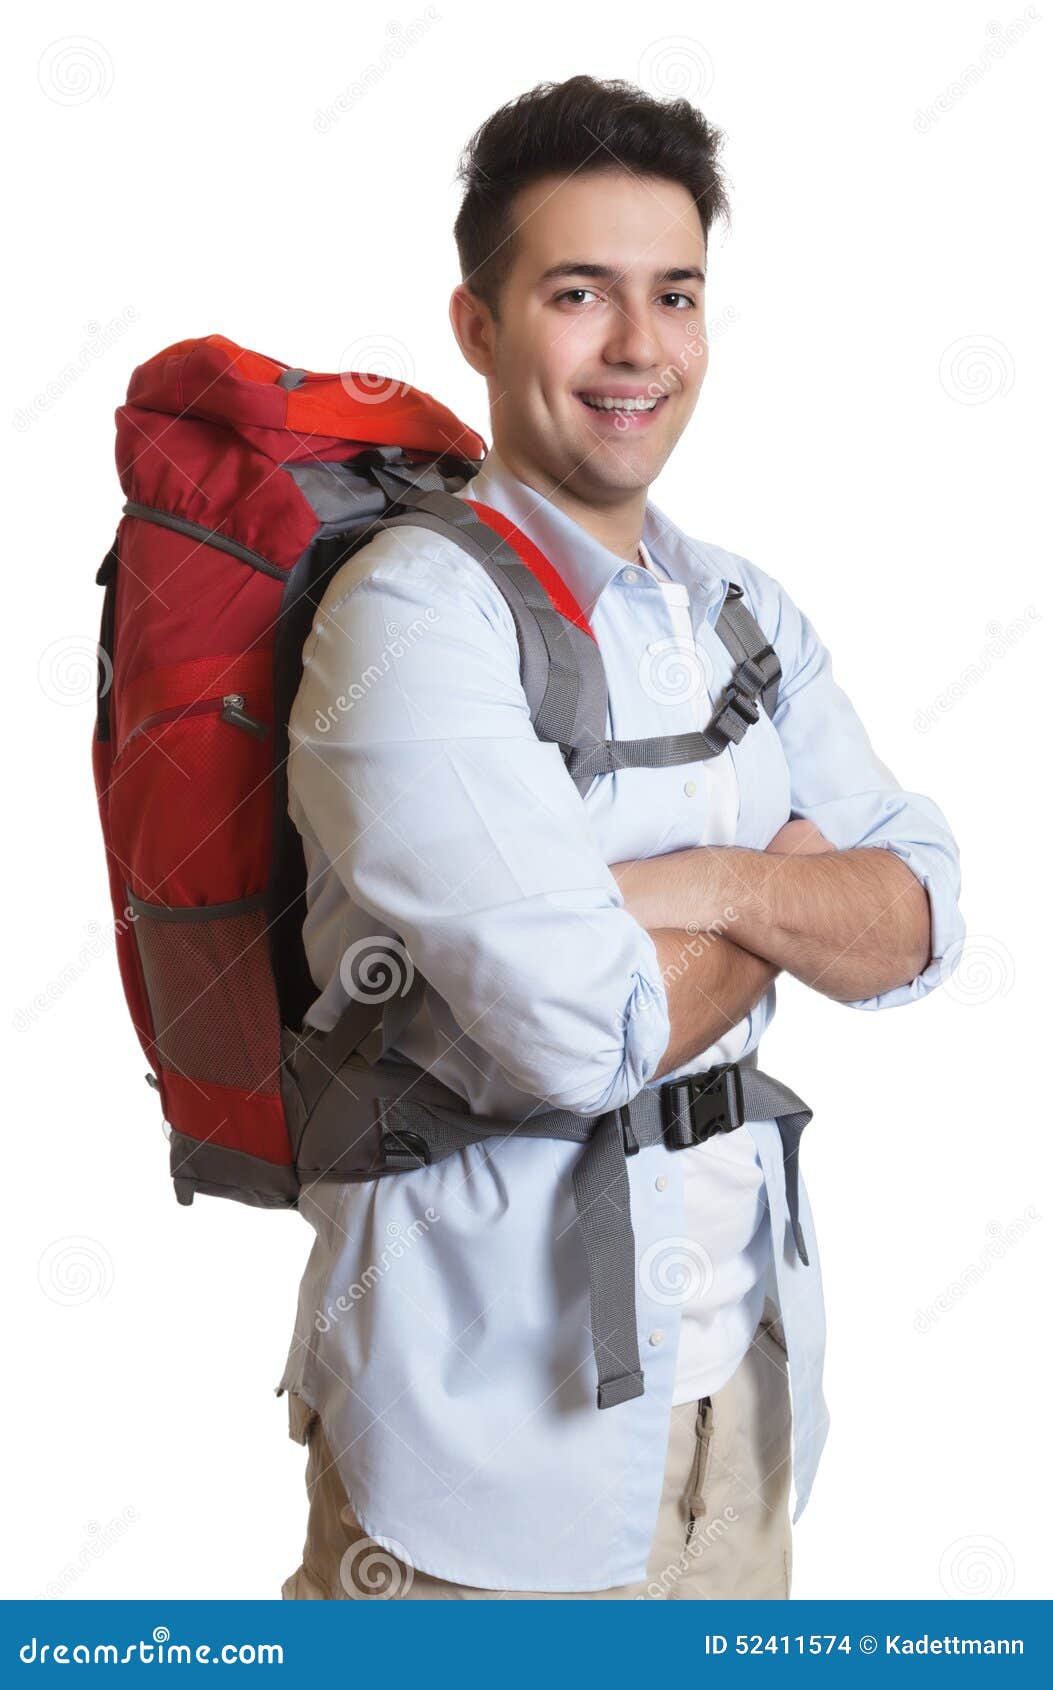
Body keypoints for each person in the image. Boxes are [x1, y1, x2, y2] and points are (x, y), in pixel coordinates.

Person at [277, 74, 965, 1600]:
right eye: (578, 294)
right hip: (474, 1450)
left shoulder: (733, 603)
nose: (637, 348)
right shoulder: (407, 616)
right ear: (477, 323)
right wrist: (788, 889)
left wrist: (695, 885)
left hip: (742, 1414)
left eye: (675, 296)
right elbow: (580, 1033)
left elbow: (923, 913)